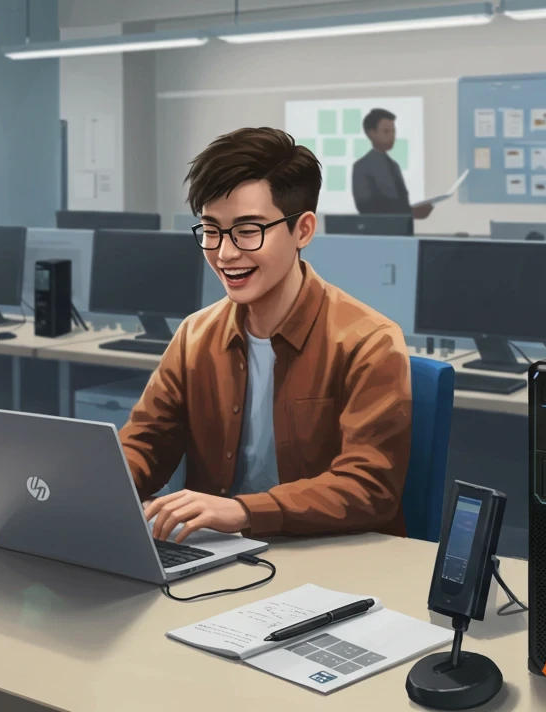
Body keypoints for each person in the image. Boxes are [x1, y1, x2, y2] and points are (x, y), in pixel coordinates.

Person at [121, 127, 412, 542]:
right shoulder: (195, 335)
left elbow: (368, 487)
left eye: (247, 230)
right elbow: (146, 442)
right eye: (211, 230)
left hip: (327, 556)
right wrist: (96, 486)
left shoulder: (369, 341)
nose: (224, 253)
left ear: (303, 230)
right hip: (217, 554)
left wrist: (243, 511)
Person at [351, 108, 432, 219]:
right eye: (386, 131)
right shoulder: (361, 167)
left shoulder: (394, 165)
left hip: (403, 228)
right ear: (371, 134)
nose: (392, 136)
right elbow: (366, 208)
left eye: (393, 131)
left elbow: (402, 202)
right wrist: (410, 212)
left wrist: (413, 211)